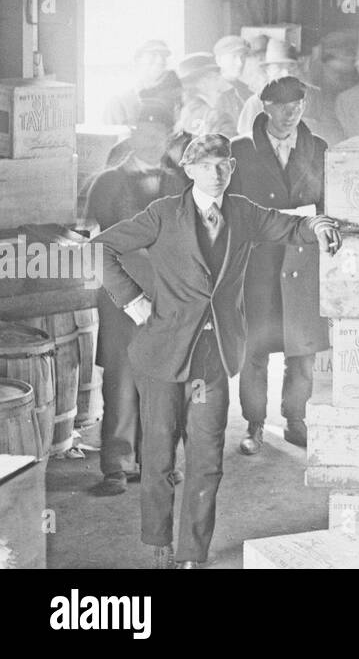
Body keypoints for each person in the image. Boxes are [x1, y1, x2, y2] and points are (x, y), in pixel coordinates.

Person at [97, 134, 342, 569]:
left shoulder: (243, 213)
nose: (216, 173)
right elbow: (102, 249)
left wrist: (317, 225)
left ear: (231, 167)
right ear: (189, 170)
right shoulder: (163, 215)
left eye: (223, 165)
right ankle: (158, 545)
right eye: (205, 165)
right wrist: (134, 303)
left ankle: (193, 553)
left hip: (211, 361)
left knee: (207, 460)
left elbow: (286, 224)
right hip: (164, 360)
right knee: (157, 457)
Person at [82, 101, 189, 497]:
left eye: (158, 130)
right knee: (121, 379)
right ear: (132, 132)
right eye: (142, 129)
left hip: (168, 294)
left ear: (169, 135)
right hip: (120, 295)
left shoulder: (181, 181)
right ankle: (116, 465)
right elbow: (93, 242)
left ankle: (158, 462)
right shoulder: (106, 183)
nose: (150, 137)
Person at [230, 76, 330, 452]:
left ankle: (296, 420)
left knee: (301, 352)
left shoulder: (318, 149)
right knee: (253, 351)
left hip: (303, 264)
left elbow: (329, 203)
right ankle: (254, 425)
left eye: (298, 105)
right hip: (258, 266)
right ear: (265, 106)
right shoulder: (239, 151)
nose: (291, 114)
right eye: (282, 106)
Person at [104, 40, 176, 126]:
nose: (160, 61)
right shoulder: (119, 103)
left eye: (163, 57)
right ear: (137, 62)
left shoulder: (171, 103)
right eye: (153, 55)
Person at [176, 52, 241, 141]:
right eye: (215, 78)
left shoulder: (177, 116)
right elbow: (234, 150)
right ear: (202, 83)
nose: (221, 86)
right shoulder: (219, 119)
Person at [213, 35, 253, 107]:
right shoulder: (212, 93)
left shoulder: (246, 91)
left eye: (242, 57)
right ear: (219, 60)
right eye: (234, 57)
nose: (240, 63)